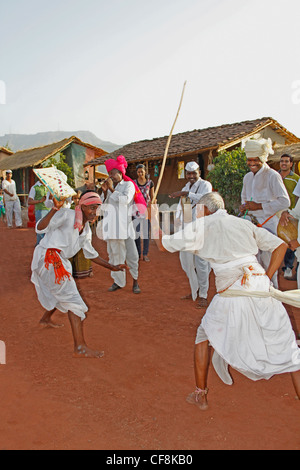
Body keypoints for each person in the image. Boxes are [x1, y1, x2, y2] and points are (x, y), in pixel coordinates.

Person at [155, 191, 300, 410]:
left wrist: (152, 217)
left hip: (232, 293)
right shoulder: (242, 224)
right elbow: (280, 246)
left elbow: (163, 245)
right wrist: (267, 277)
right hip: (259, 286)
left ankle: (200, 395)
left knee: (203, 336)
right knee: (288, 347)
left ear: (204, 209)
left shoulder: (201, 226)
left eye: (198, 211)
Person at [31, 190, 127, 358]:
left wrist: (111, 267)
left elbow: (91, 253)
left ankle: (45, 319)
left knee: (61, 292)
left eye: (97, 208)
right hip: (49, 259)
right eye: (91, 208)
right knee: (73, 300)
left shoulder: (86, 229)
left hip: (57, 262)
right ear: (81, 206)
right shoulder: (66, 215)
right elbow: (40, 228)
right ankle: (80, 347)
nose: (94, 212)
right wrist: (54, 209)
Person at [239, 135, 290, 288]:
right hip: (251, 227)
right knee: (253, 265)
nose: (252, 163)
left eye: (256, 160)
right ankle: (257, 299)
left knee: (270, 267)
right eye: (249, 160)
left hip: (268, 226)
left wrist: (260, 206)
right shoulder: (247, 177)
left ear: (263, 158)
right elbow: (244, 198)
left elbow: (284, 201)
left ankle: (273, 301)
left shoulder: (272, 176)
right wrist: (244, 207)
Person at [99, 155, 147, 294]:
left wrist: (112, 190)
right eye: (109, 174)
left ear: (120, 172)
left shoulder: (129, 185)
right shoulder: (110, 187)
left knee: (132, 255)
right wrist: (104, 191)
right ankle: (118, 281)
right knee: (114, 254)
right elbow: (104, 203)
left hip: (125, 227)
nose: (111, 176)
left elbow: (125, 200)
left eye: (113, 173)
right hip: (112, 227)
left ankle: (135, 281)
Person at [169, 161, 212, 308]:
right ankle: (195, 289)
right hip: (189, 229)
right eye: (189, 173)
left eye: (194, 173)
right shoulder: (185, 187)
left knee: (201, 263)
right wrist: (179, 223)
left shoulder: (205, 185)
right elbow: (184, 210)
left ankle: (203, 295)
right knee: (187, 262)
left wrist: (185, 194)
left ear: (199, 172)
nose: (191, 176)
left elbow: (204, 200)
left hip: (202, 228)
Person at [278, 153, 300, 279]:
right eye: (282, 161)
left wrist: (294, 212)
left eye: (287, 161)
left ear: (291, 164)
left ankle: (288, 267)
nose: (284, 163)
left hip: (291, 214)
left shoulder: (296, 178)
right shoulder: (274, 176)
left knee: (291, 241)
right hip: (278, 213)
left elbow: (297, 196)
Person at [134, 164, 155, 262]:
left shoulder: (150, 183)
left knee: (146, 234)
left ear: (145, 172)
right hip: (136, 211)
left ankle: (145, 254)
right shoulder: (133, 183)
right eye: (138, 172)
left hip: (146, 211)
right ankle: (137, 254)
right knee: (136, 234)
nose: (140, 173)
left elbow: (152, 196)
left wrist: (153, 202)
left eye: (142, 171)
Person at [28, 180, 50, 244]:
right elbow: (29, 201)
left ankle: (42, 244)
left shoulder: (49, 186)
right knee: (40, 228)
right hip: (40, 210)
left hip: (49, 209)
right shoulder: (35, 187)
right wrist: (40, 201)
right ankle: (40, 244)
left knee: (48, 228)